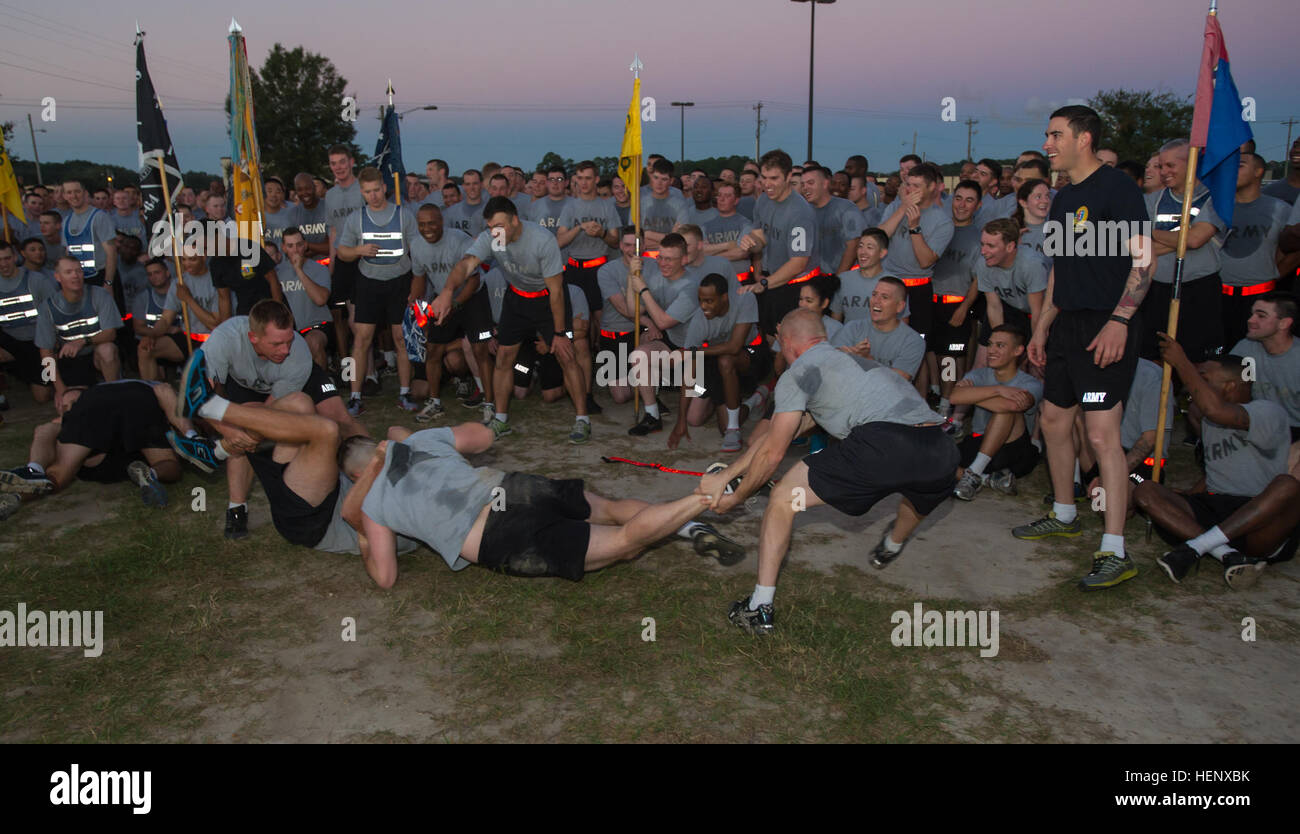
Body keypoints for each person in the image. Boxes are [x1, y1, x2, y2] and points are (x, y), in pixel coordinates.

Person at [705, 309, 956, 632]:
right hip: (940, 449)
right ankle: (892, 544)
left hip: (882, 446)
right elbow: (779, 435)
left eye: (779, 344)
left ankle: (759, 608)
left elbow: (772, 455)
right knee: (917, 496)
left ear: (788, 342)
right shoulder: (846, 363)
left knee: (782, 499)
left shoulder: (799, 373)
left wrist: (737, 498)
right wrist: (728, 474)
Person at [1013, 105, 1152, 592]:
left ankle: (1115, 550)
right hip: (1068, 326)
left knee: (1100, 435)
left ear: (1084, 138)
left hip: (1107, 326)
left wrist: (1119, 320)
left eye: (1055, 135)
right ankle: (1065, 510)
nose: (1047, 144)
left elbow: (1143, 261)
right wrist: (1040, 328)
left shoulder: (1119, 189)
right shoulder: (1063, 198)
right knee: (1052, 420)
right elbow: (1058, 270)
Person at [178, 299, 362, 539]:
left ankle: (373, 473)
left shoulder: (296, 354)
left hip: (288, 384)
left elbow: (271, 415)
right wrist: (229, 432)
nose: (284, 349)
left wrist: (230, 438)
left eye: (288, 341)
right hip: (244, 382)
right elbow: (201, 395)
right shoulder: (226, 338)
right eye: (277, 344)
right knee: (237, 429)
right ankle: (237, 508)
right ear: (253, 338)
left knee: (339, 417)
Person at [1138, 340, 1298, 589]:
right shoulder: (1204, 421)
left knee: (1288, 485)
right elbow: (1220, 465)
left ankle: (1196, 547)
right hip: (1215, 507)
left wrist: (1181, 362)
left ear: (1231, 386)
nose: (1197, 385)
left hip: (1258, 515)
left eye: (1205, 379)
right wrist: (1189, 496)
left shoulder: (1267, 412)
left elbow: (1215, 410)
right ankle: (1225, 554)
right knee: (1145, 489)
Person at [431, 196, 591, 444]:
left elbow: (558, 292)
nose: (495, 233)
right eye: (490, 227)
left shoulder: (542, 240)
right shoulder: (492, 238)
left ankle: (583, 419)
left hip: (548, 300)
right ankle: (501, 419)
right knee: (505, 357)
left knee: (566, 354)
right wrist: (447, 292)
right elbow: (465, 265)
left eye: (500, 226)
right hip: (516, 299)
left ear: (515, 220)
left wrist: (559, 334)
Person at [0, 380, 206, 514]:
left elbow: (45, 430)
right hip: (140, 399)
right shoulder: (151, 386)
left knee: (58, 474)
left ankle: (26, 483)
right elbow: (165, 391)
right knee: (168, 464)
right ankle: (150, 473)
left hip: (98, 421)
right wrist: (190, 434)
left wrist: (37, 462)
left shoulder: (91, 399)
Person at [336, 166, 420, 414]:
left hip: (399, 281)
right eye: (367, 192)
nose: (372, 195)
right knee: (361, 339)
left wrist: (417, 285)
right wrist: (358, 251)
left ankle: (405, 393)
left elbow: (418, 251)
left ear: (384, 188)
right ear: (361, 192)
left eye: (376, 190)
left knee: (401, 339)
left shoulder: (404, 215)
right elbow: (342, 251)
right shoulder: (356, 218)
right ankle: (355, 396)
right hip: (369, 283)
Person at [1139, 137, 1226, 364]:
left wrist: (1151, 231)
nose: (1164, 172)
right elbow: (1140, 246)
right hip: (1157, 290)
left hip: (1199, 291)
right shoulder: (1152, 201)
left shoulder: (1213, 198)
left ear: (1191, 164)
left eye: (1170, 166)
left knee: (1196, 358)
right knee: (1153, 354)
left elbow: (1196, 240)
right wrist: (1182, 238)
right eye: (1160, 166)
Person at [668, 273, 766, 453]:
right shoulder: (699, 320)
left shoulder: (745, 299)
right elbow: (689, 373)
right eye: (700, 300)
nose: (703, 306)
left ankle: (733, 429)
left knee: (726, 360)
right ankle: (752, 400)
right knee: (694, 418)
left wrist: (693, 352)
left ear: (724, 298)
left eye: (709, 301)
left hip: (750, 355)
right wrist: (680, 420)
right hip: (714, 361)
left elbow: (735, 347)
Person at [407, 204, 483, 422]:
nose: (427, 228)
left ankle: (488, 398)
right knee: (433, 349)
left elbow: (474, 280)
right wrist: (415, 300)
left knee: (479, 348)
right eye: (421, 224)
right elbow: (419, 278)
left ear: (441, 221)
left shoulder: (460, 240)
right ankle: (435, 402)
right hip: (442, 299)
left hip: (471, 297)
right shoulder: (417, 245)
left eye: (431, 223)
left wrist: (456, 304)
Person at [949, 325, 1042, 500]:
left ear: (1018, 350)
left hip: (1015, 450)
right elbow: (954, 397)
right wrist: (998, 390)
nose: (991, 350)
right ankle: (987, 479)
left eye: (1000, 345)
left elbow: (1013, 406)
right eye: (990, 344)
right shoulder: (980, 374)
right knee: (938, 458)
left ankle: (973, 473)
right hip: (980, 440)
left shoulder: (1031, 383)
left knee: (1005, 411)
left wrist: (972, 396)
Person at [736, 149, 821, 338]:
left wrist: (764, 284)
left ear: (789, 176)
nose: (767, 184)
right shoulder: (764, 199)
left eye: (774, 178)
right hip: (771, 280)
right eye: (764, 177)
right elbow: (761, 239)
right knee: (768, 334)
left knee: (787, 341)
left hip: (794, 286)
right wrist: (751, 243)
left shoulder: (800, 213)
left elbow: (799, 262)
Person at [626, 234, 699, 435]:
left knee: (695, 417)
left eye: (669, 259)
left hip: (697, 353)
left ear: (684, 259)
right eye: (660, 257)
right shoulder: (657, 276)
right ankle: (652, 415)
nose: (663, 263)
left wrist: (644, 290)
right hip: (672, 343)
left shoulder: (691, 286)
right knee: (639, 353)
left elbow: (663, 322)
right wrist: (631, 276)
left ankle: (752, 396)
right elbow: (633, 312)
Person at [876, 162, 953, 348]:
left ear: (932, 187)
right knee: (886, 341)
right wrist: (903, 207)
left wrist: (914, 227)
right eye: (909, 184)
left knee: (916, 346)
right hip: (890, 283)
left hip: (918, 289)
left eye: (917, 186)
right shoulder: (895, 208)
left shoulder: (943, 221)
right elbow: (878, 238)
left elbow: (926, 261)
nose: (910, 190)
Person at [1219, 153, 1290, 348]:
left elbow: (1292, 249)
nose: (1233, 171)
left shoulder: (1279, 209)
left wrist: (1275, 273)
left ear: (1259, 172)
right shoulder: (1215, 208)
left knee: (1253, 356)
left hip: (1260, 298)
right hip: (1218, 296)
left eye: (1240, 165)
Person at [35, 256, 123, 405]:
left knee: (107, 349)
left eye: (78, 271)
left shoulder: (100, 295)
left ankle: (114, 396)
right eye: (68, 272)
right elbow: (46, 353)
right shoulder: (48, 307)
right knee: (69, 403)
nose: (75, 276)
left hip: (96, 355)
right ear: (57, 277)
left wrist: (82, 341)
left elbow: (111, 333)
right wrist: (60, 388)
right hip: (70, 361)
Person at [929, 180, 983, 418]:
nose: (962, 205)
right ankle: (942, 398)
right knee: (936, 355)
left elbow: (978, 279)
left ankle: (949, 404)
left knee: (953, 357)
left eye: (969, 200)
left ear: (978, 205)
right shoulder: (940, 228)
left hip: (956, 303)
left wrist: (964, 308)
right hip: (932, 301)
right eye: (958, 198)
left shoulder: (978, 237)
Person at [1230, 293, 1300, 474]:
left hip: (1294, 429)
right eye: (1252, 314)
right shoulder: (1246, 348)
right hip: (1258, 424)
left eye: (1261, 316)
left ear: (1284, 323)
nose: (1251, 320)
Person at [830, 276, 926, 381]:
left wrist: (866, 361)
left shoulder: (912, 341)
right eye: (874, 295)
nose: (876, 301)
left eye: (885, 297)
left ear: (900, 306)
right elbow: (831, 362)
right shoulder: (853, 328)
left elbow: (898, 382)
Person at [0, 241, 59, 407]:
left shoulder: (36, 280)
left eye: (7, 258)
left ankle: (51, 377)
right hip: (11, 340)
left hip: (39, 342)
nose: (3, 264)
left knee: (42, 397)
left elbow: (55, 312)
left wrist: (53, 343)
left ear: (15, 257)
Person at [276, 228, 333, 368]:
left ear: (305, 245)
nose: (295, 250)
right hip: (289, 329)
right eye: (290, 246)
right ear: (283, 248)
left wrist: (299, 270)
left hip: (317, 325)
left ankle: (322, 385)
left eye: (299, 244)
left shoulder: (319, 269)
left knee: (312, 342)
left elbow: (320, 300)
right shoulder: (276, 272)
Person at [801, 165, 861, 276]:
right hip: (813, 279)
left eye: (810, 183)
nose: (805, 188)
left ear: (825, 184)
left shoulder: (846, 208)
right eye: (802, 184)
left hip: (841, 278)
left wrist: (838, 278)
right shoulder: (803, 211)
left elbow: (853, 245)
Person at [59, 180, 118, 290]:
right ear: (64, 196)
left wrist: (108, 282)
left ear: (85, 193)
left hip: (100, 277)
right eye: (69, 192)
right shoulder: (66, 221)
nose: (74, 196)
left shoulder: (100, 217)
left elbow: (111, 253)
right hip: (79, 280)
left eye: (77, 191)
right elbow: (68, 253)